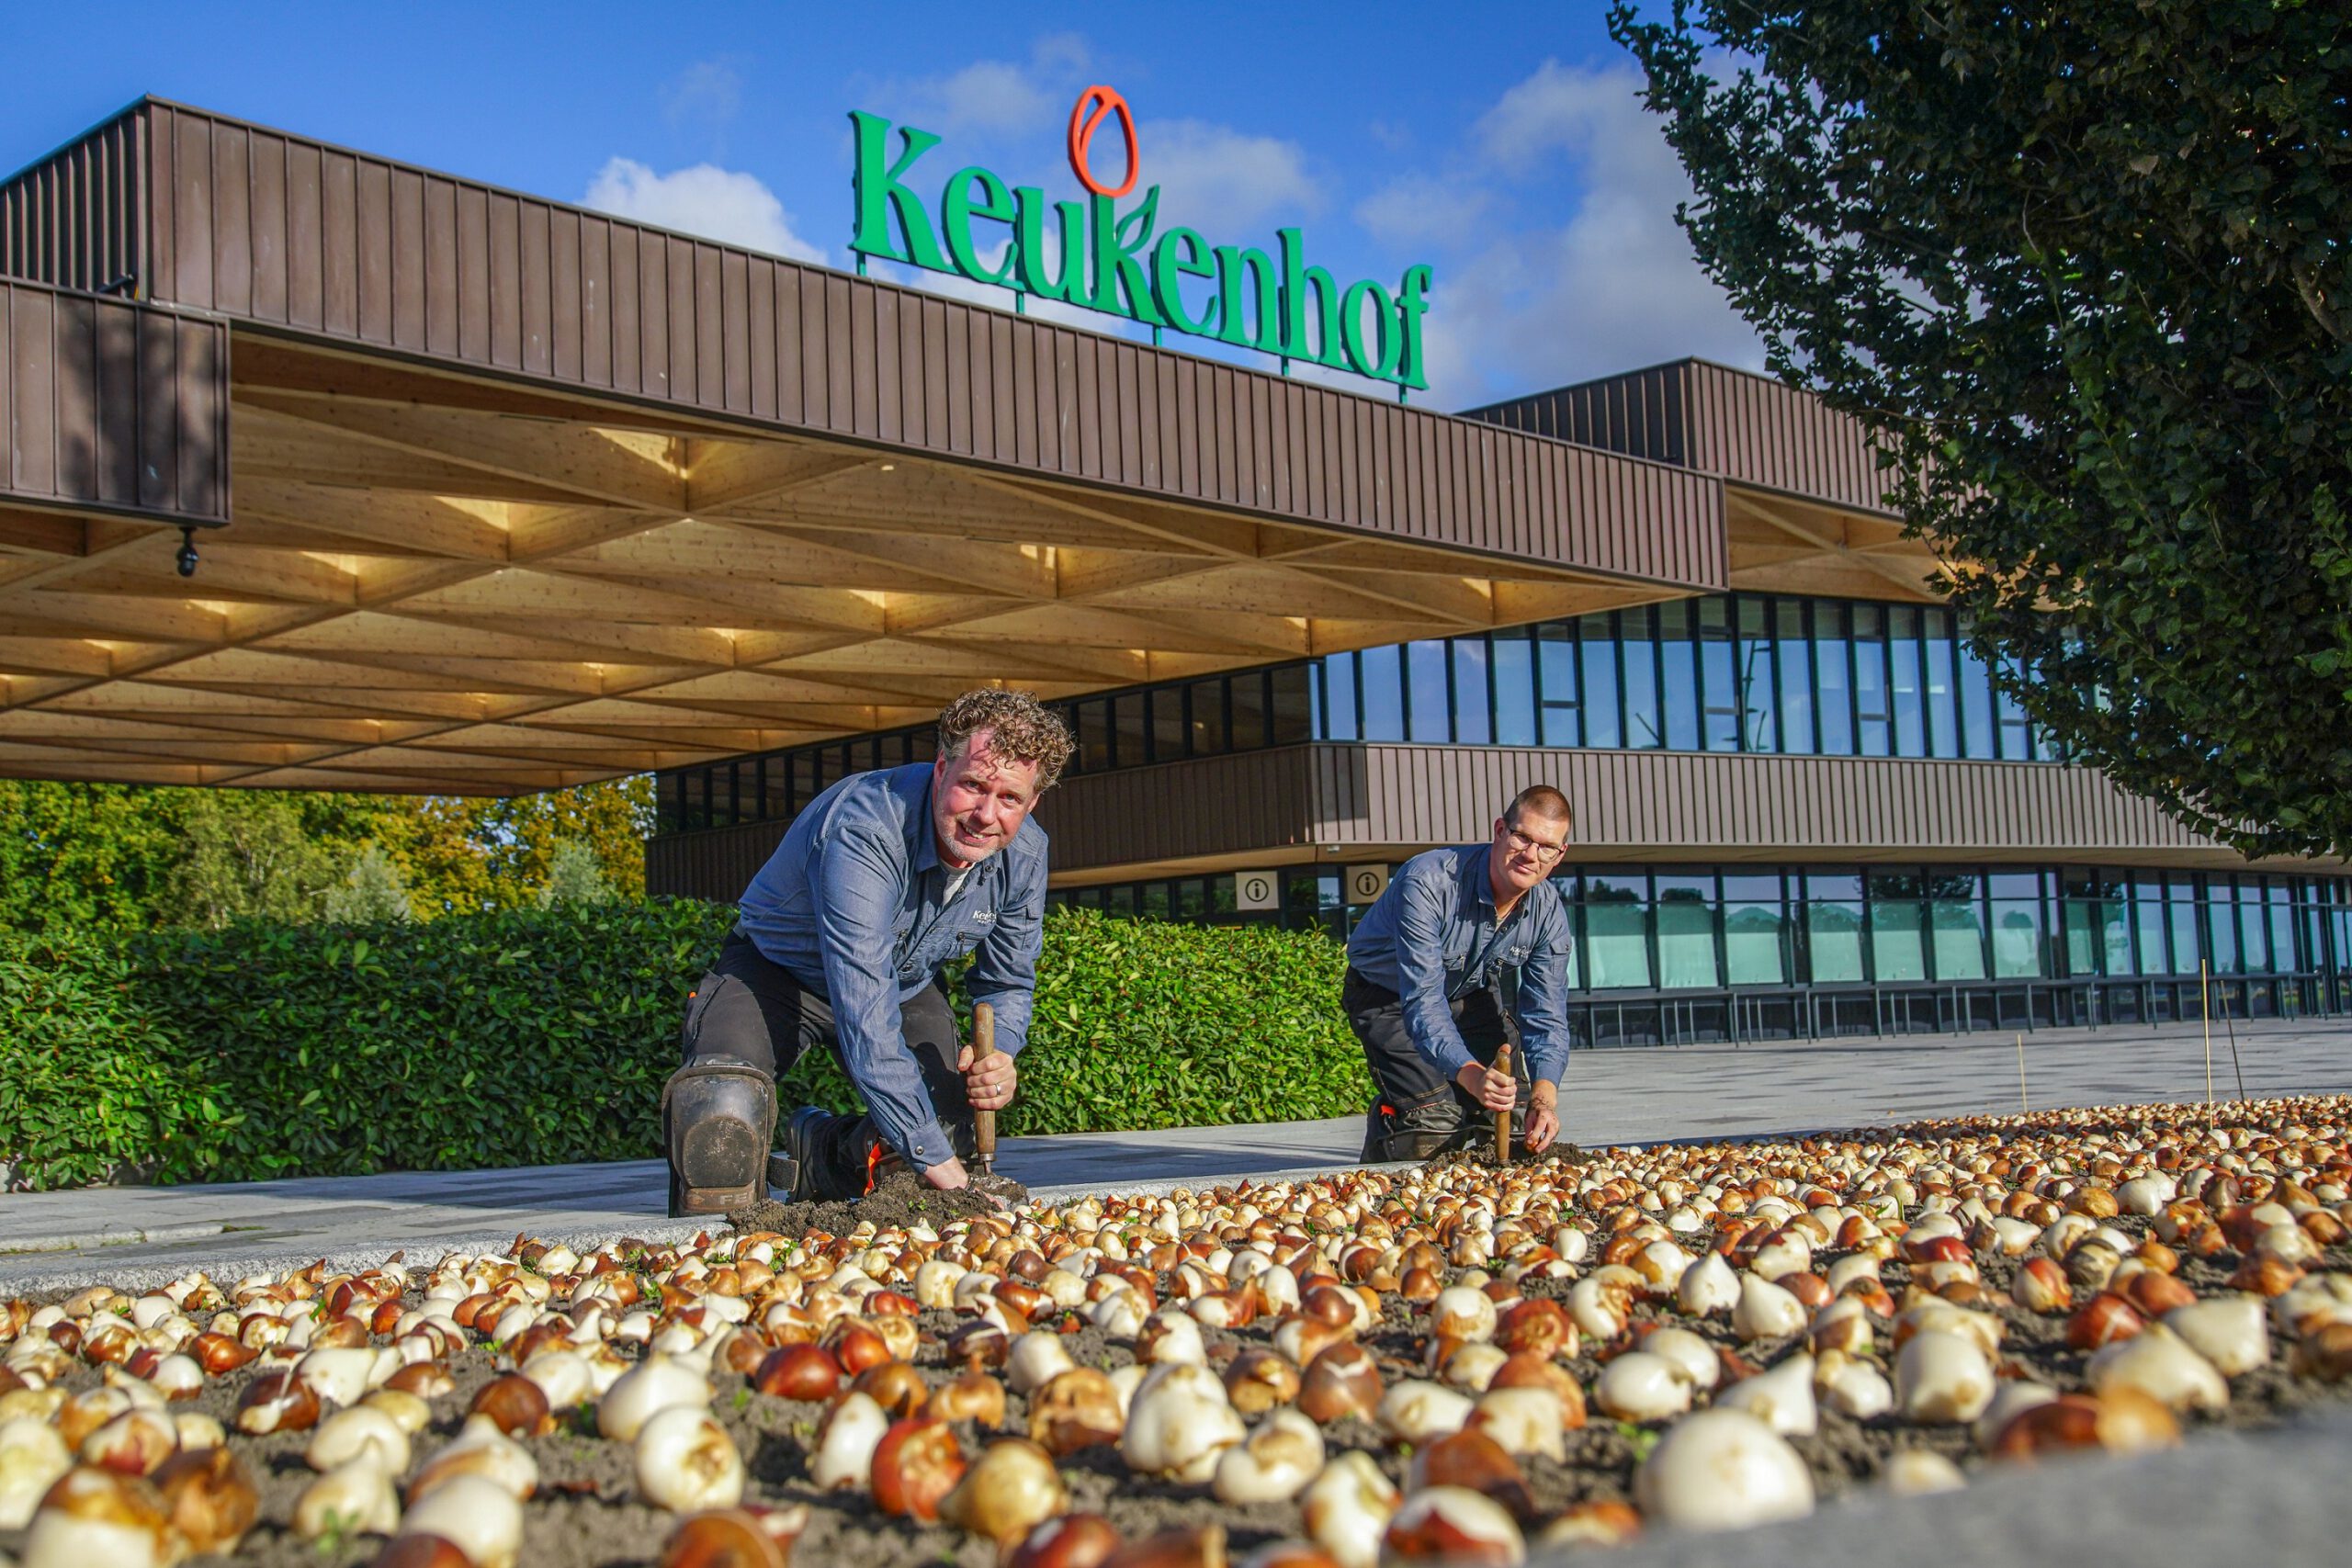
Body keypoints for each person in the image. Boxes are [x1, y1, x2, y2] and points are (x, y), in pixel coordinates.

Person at [661, 689, 1072, 1214]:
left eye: (1010, 799)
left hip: (904, 983)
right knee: (719, 1117)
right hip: (777, 975)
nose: (985, 815)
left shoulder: (1027, 852)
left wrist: (1002, 1053)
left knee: (948, 1124)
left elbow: (1007, 981)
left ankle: (827, 1153)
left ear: (1032, 801)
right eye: (972, 785)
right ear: (942, 767)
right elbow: (863, 1006)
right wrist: (935, 1162)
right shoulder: (867, 827)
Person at [1343, 784, 1577, 1161]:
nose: (1531, 855)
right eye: (1522, 837)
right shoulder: (1429, 881)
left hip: (1469, 992)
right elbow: (1423, 1000)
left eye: (1547, 846)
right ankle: (1392, 1131)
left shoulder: (1549, 911)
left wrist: (1544, 1101)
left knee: (1516, 1121)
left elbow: (1546, 1014)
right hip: (1389, 996)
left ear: (1559, 853)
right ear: (1500, 830)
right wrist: (1469, 1075)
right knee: (1436, 1122)